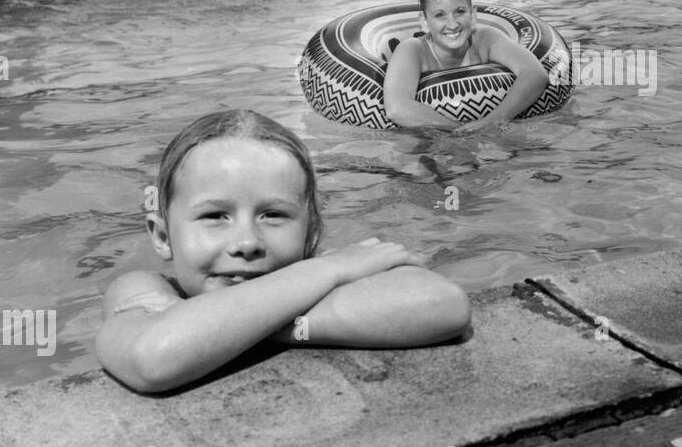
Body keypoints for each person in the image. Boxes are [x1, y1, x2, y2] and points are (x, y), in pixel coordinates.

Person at [95, 110, 469, 394]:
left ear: (311, 236)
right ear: (162, 236)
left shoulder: (323, 270)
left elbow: (444, 305)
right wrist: (326, 273)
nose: (247, 243)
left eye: (273, 215)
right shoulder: (140, 287)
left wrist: (228, 328)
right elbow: (154, 357)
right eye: (214, 216)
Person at [382, 0, 550, 131]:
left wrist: (494, 120)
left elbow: (535, 73)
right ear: (424, 22)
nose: (452, 24)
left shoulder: (484, 39)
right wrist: (461, 131)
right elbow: (396, 108)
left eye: (460, 12)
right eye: (440, 15)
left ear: (473, 15)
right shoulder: (413, 50)